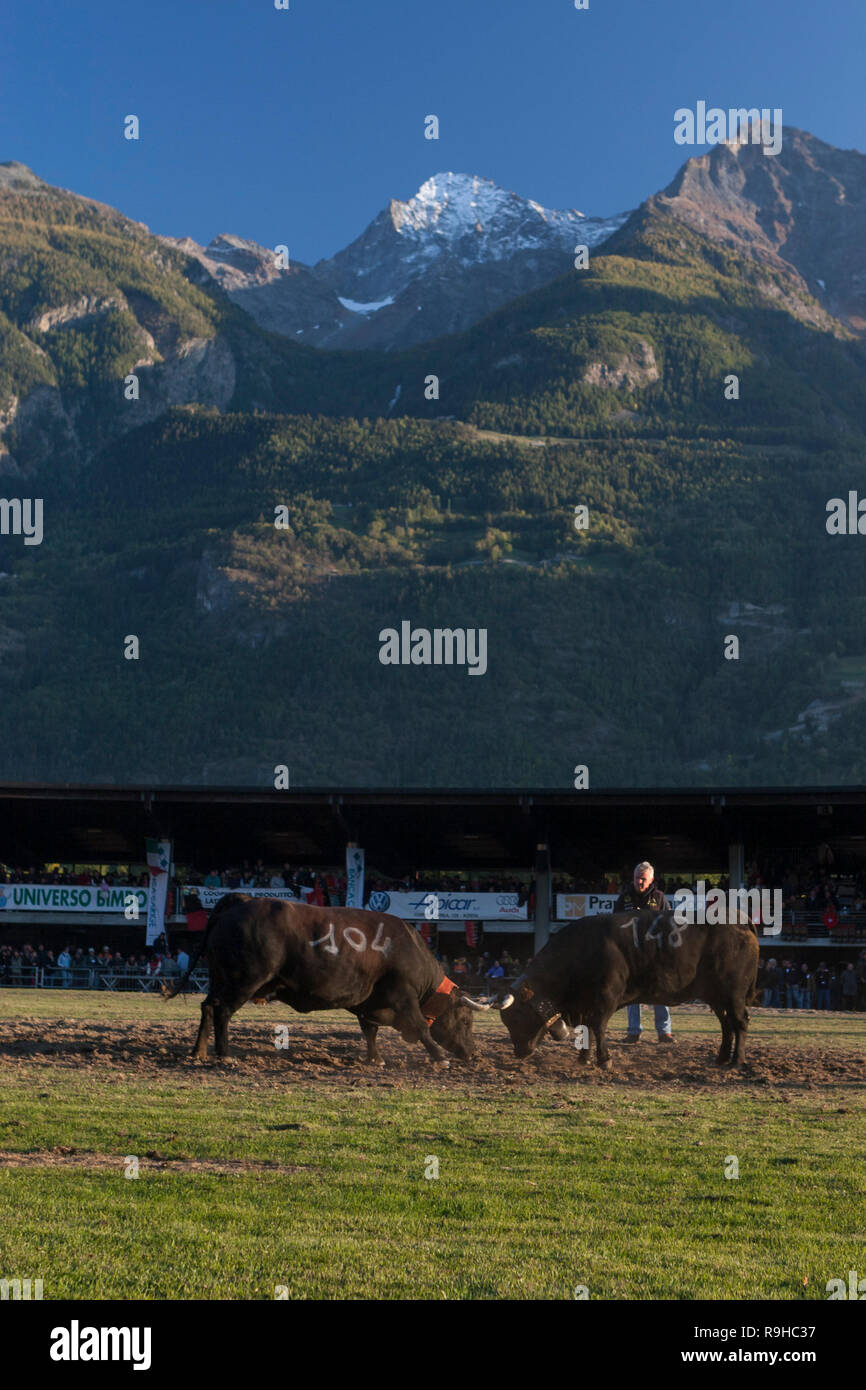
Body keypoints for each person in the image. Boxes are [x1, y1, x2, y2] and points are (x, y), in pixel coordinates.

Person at [616, 861, 674, 1044]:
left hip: (655, 956)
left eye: (643, 879)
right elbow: (614, 925)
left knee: (660, 992)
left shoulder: (659, 898)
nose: (639, 882)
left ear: (651, 880)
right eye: (636, 878)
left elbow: (670, 924)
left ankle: (664, 1032)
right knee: (632, 994)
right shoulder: (624, 898)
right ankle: (634, 1032)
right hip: (631, 956)